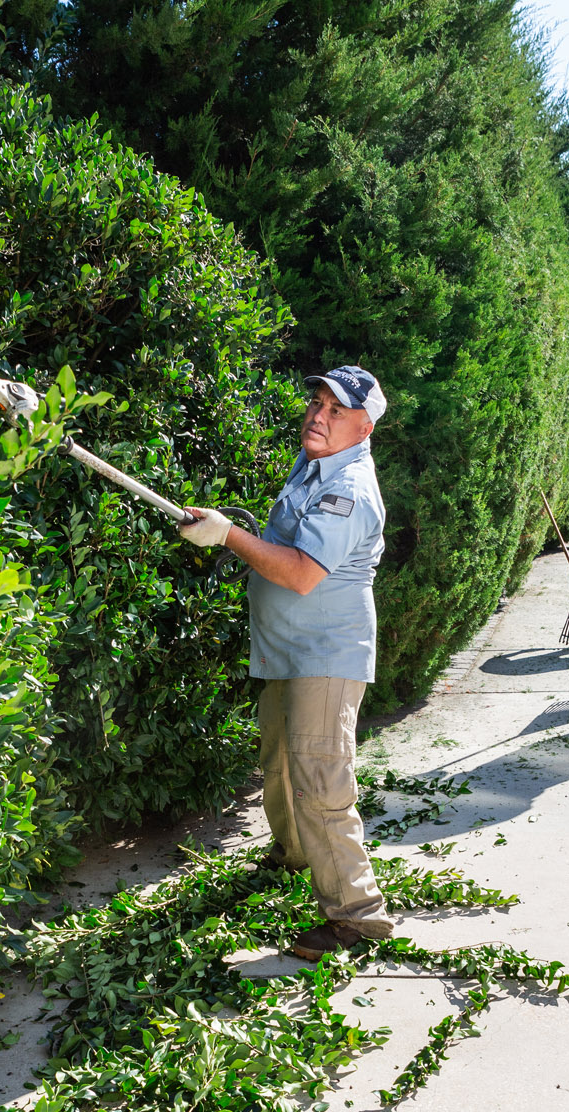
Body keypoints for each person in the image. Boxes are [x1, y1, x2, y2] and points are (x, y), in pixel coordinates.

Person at [178, 365, 391, 961]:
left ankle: (357, 917)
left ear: (364, 427)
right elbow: (288, 540)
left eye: (336, 410)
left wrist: (227, 538)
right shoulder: (314, 462)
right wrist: (233, 530)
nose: (318, 416)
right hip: (287, 648)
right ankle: (294, 857)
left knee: (322, 782)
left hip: (327, 654)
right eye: (317, 402)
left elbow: (300, 572)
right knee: (279, 764)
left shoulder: (349, 488)